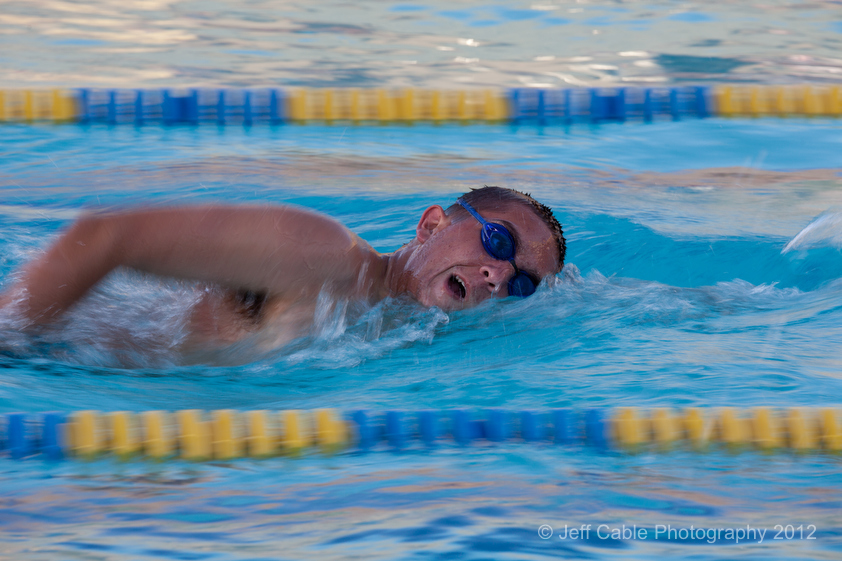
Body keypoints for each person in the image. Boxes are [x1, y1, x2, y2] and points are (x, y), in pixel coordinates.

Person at [0, 186, 566, 347]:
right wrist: (11, 338)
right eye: (497, 240)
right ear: (433, 224)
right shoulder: (320, 253)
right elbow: (105, 236)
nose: (498, 274)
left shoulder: (394, 333)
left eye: (519, 283)